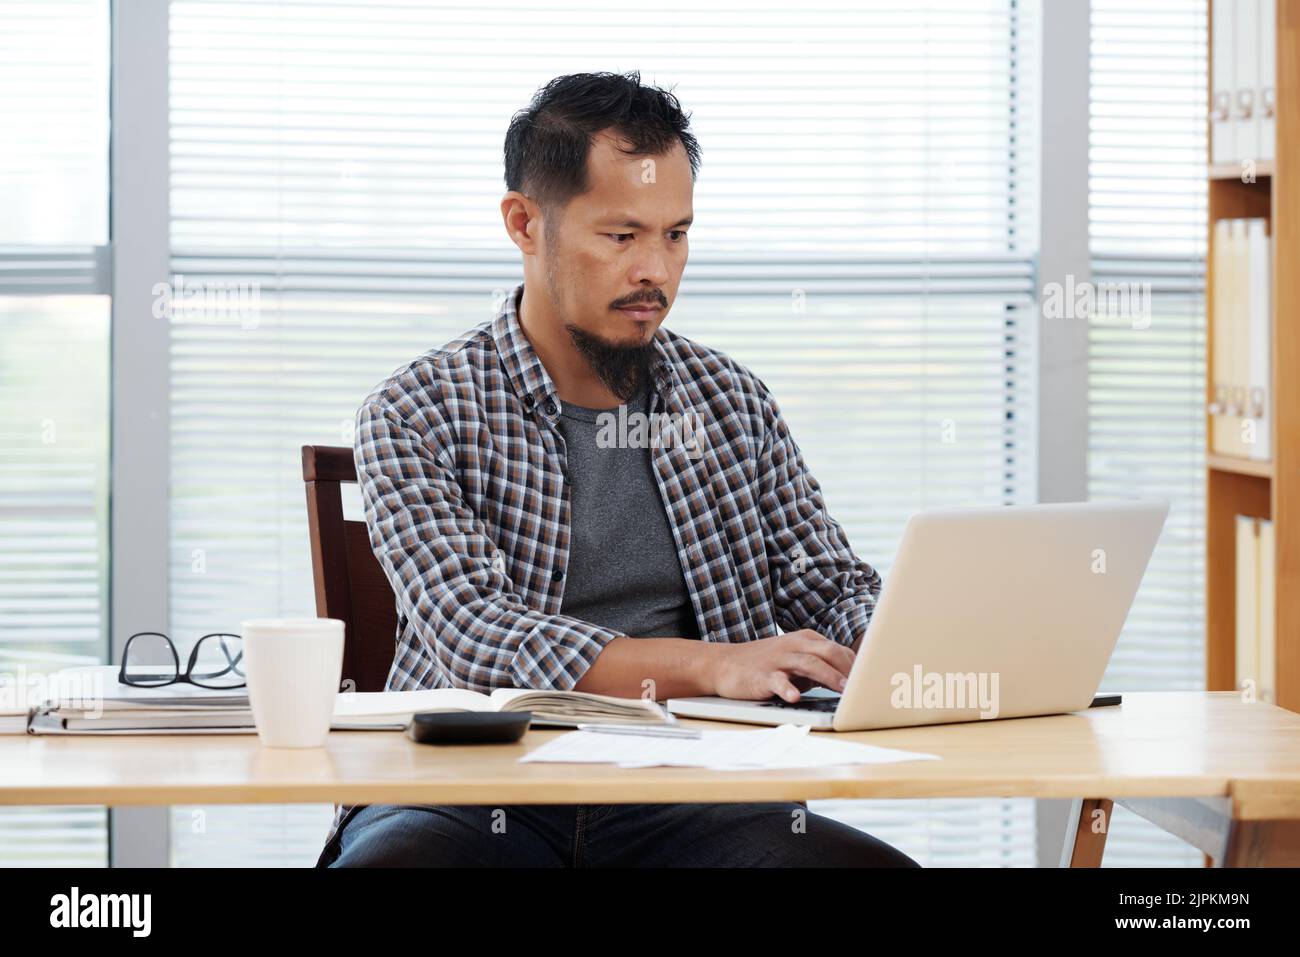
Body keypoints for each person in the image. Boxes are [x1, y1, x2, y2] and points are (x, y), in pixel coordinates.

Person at [318, 71, 918, 868]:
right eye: (622, 235)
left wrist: (910, 644)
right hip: (470, 793)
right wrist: (714, 665)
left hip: (698, 794)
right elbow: (476, 634)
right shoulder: (417, 409)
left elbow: (830, 583)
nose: (656, 272)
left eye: (675, 234)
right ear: (525, 224)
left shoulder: (729, 401)